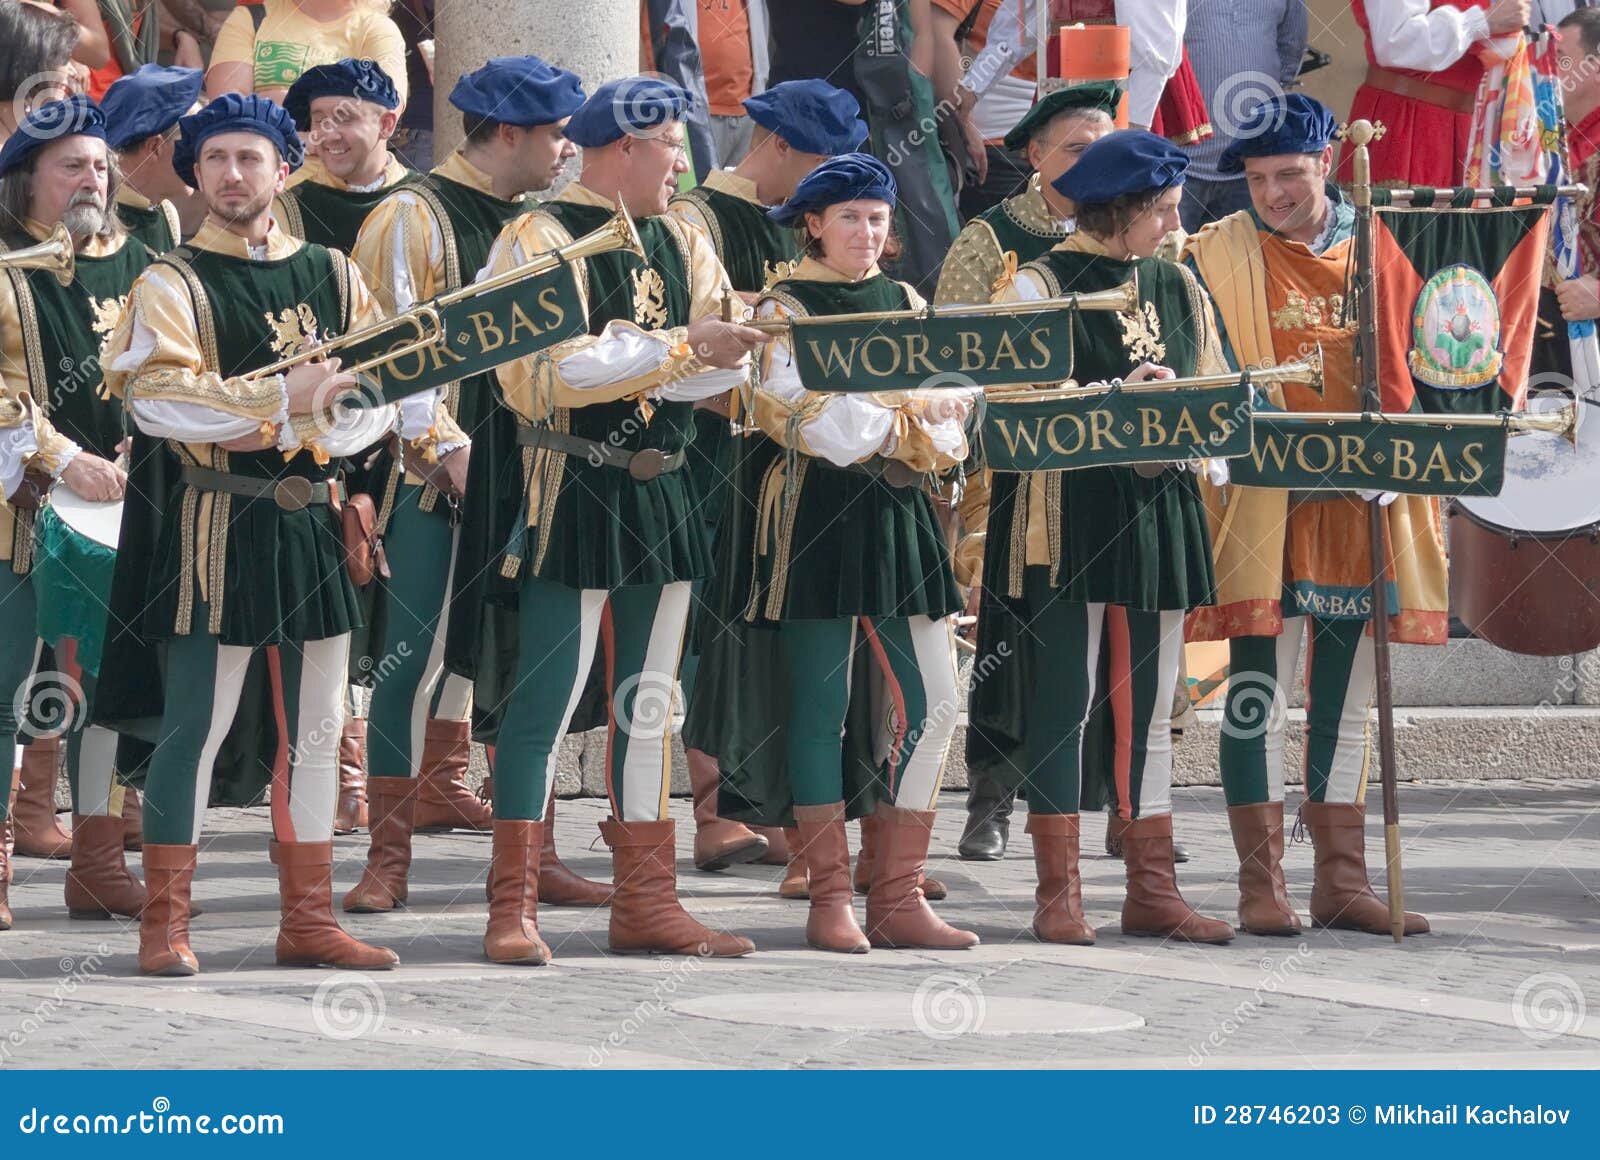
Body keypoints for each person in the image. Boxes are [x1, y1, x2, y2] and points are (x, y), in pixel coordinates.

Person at [99, 92, 411, 975]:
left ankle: (308, 918)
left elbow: (371, 398)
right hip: (212, 524)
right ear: (194, 173)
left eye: (251, 158)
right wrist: (288, 403)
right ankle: (168, 922)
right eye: (215, 161)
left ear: (284, 167)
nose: (233, 176)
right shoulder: (170, 282)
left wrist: (315, 419)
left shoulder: (335, 271)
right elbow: (159, 404)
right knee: (195, 723)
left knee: (317, 726)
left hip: (311, 518)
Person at [461, 75, 765, 964]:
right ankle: (509, 905)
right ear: (625, 148)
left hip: (664, 484)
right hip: (575, 486)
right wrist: (681, 350)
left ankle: (646, 902)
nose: (685, 161)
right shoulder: (536, 237)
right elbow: (538, 374)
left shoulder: (683, 234)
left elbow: (707, 359)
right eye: (673, 144)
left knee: (651, 703)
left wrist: (730, 358)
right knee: (547, 700)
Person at [686, 152, 975, 954]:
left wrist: (907, 421)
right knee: (816, 711)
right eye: (849, 216)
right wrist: (910, 416)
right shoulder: (781, 310)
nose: (867, 231)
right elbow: (815, 425)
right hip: (811, 517)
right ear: (812, 222)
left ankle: (899, 893)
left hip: (900, 515)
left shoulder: (907, 299)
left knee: (937, 701)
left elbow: (954, 430)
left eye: (878, 218)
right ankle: (829, 900)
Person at [344, 56, 610, 917]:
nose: (568, 150)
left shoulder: (547, 222)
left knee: (526, 659)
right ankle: (387, 859)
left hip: (536, 469)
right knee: (409, 663)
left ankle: (530, 853)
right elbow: (386, 354)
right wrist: (442, 447)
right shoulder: (409, 217)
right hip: (434, 475)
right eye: (555, 135)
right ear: (507, 134)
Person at [962, 129, 1234, 946]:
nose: (1174, 223)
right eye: (1162, 210)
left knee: (1152, 705)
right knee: (1064, 701)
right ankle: (1059, 894)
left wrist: (1200, 424)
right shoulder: (1035, 286)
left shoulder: (1178, 283)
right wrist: (1116, 397)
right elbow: (1001, 408)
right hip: (1064, 515)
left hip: (1158, 508)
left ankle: (1151, 887)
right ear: (1119, 212)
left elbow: (1215, 380)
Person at [1184, 94, 1437, 937]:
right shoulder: (1214, 253)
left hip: (1364, 502)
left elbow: (1430, 360)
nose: (1274, 193)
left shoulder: (1384, 244)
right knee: (1257, 695)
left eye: (1289, 174)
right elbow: (1196, 361)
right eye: (1256, 179)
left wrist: (1405, 451)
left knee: (1348, 699)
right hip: (1266, 501)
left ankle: (1343, 881)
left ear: (1327, 165)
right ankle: (1263, 886)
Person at [667, 77, 865, 881]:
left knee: (768, 635)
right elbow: (678, 339)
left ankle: (777, 806)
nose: (828, 193)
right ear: (777, 145)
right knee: (711, 635)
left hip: (796, 459)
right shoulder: (697, 220)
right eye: (819, 165)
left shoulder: (814, 220)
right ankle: (714, 809)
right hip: (711, 448)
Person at [935, 79, 1117, 862]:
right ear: (1036, 156)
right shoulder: (992, 239)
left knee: (1110, 647)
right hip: (1018, 476)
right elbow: (955, 356)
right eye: (1074, 147)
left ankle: (1117, 807)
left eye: (1102, 147)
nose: (1089, 163)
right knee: (1012, 642)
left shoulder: (1141, 233)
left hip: (1109, 474)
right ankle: (992, 800)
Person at [0, 95, 155, 920]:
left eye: (100, 164)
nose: (92, 179)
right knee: (4, 693)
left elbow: (173, 366)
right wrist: (61, 457)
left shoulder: (147, 263)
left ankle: (97, 862)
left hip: (121, 514)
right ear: (27, 179)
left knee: (101, 689)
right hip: (15, 514)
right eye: (71, 166)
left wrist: (152, 441)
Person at [1339, 0, 1532, 187]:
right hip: (1407, 126)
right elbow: (1397, 41)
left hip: (1466, 131)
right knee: (1401, 218)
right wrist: (1481, 22)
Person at [1179, 0, 1306, 233]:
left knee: (1244, 266)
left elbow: (1291, 50)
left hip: (1252, 168)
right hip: (1178, 167)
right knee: (1170, 265)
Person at [275, 58, 413, 251]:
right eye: (320, 120)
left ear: (386, 125)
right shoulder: (288, 211)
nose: (331, 135)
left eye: (346, 119)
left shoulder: (425, 203)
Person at [204, 0, 406, 106]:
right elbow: (228, 107)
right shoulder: (249, 18)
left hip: (340, 184)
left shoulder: (379, 29)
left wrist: (269, 100)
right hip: (261, 180)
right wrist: (330, 106)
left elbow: (382, 109)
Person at [101, 63, 206, 250]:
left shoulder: (166, 213)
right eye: (191, 141)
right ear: (155, 147)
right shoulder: (95, 218)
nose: (201, 154)